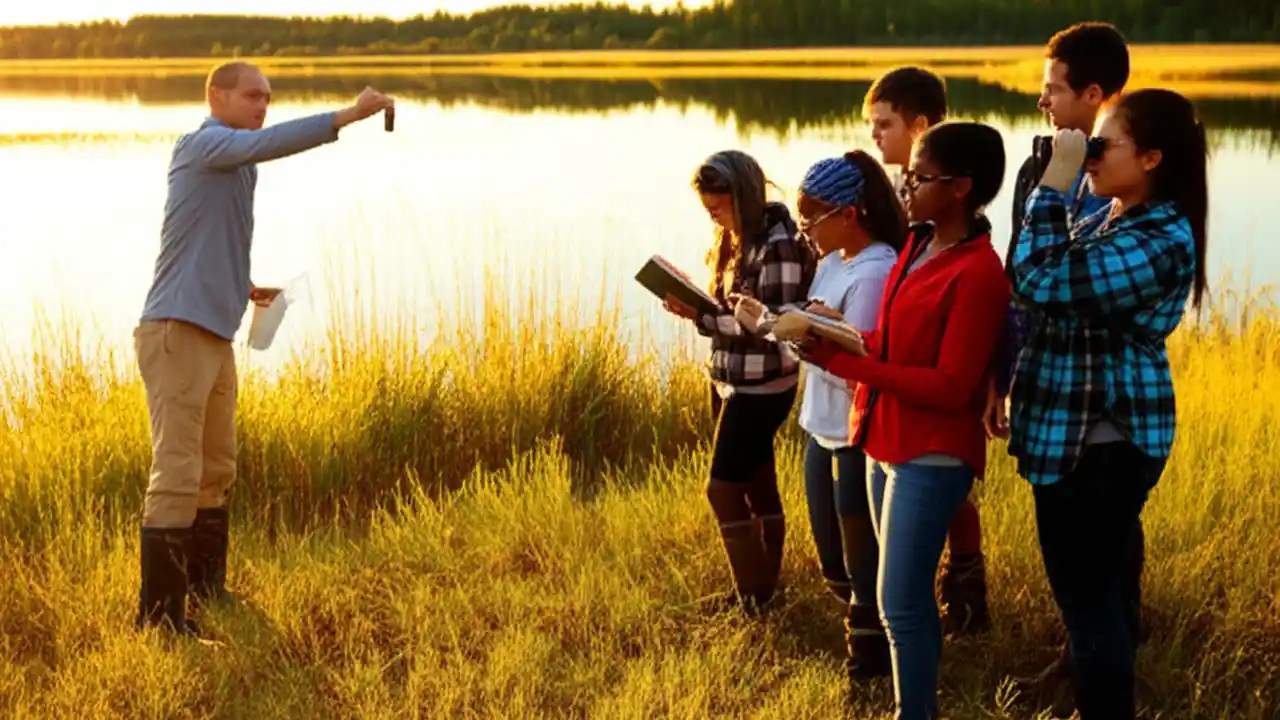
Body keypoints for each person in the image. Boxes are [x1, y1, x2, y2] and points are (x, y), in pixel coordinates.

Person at [134, 61, 394, 635]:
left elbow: (212, 238)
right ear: (216, 96)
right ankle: (159, 621)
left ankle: (206, 593)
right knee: (177, 469)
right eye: (252, 95)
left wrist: (243, 287)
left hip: (216, 331)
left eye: (269, 98)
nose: (263, 106)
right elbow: (277, 141)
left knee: (216, 466)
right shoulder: (201, 145)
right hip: (176, 331)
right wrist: (349, 115)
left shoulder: (239, 165)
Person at [1008, 88, 1207, 720]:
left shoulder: (1159, 236)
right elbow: (1034, 282)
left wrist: (1053, 183)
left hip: (1100, 440)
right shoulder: (1112, 217)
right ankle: (1104, 690)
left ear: (1150, 157)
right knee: (1104, 591)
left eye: (1102, 146)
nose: (1089, 157)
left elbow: (1038, 279)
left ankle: (1105, 703)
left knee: (1085, 600)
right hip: (1078, 435)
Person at [801, 122, 1010, 719]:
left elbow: (950, 387)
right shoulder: (917, 247)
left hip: (932, 452)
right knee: (897, 598)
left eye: (920, 177)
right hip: (882, 440)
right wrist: (830, 337)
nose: (906, 185)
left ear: (962, 188)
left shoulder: (979, 272)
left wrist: (848, 361)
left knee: (901, 602)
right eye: (907, 174)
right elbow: (889, 345)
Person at [987, 22, 1132, 713]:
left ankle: (1101, 662)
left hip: (1105, 394)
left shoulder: (1127, 178)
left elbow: (1073, 283)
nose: (1042, 101)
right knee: (1072, 543)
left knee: (1106, 533)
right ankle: (1083, 656)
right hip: (1045, 382)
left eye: (1053, 89)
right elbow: (1022, 276)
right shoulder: (1036, 164)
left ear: (1093, 94)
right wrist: (1003, 375)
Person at [865, 65, 991, 635]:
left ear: (919, 127)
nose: (875, 137)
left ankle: (964, 583)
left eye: (884, 124)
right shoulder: (917, 228)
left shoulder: (966, 253)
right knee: (899, 577)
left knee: (906, 588)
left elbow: (954, 364)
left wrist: (856, 359)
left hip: (929, 430)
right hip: (887, 415)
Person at [663, 150, 817, 614]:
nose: (714, 217)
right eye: (708, 210)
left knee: (722, 487)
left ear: (743, 196)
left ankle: (752, 597)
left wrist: (705, 318)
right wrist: (697, 303)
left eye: (718, 208)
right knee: (756, 479)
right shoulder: (735, 238)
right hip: (730, 378)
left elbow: (775, 326)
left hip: (763, 385)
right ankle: (767, 586)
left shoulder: (781, 244)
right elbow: (732, 308)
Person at [791, 151, 904, 680]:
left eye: (810, 220)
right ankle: (865, 637)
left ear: (848, 215)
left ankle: (872, 661)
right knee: (831, 555)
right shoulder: (831, 262)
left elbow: (862, 367)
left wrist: (813, 339)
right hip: (820, 425)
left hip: (855, 433)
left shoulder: (876, 270)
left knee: (861, 556)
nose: (804, 231)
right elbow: (818, 344)